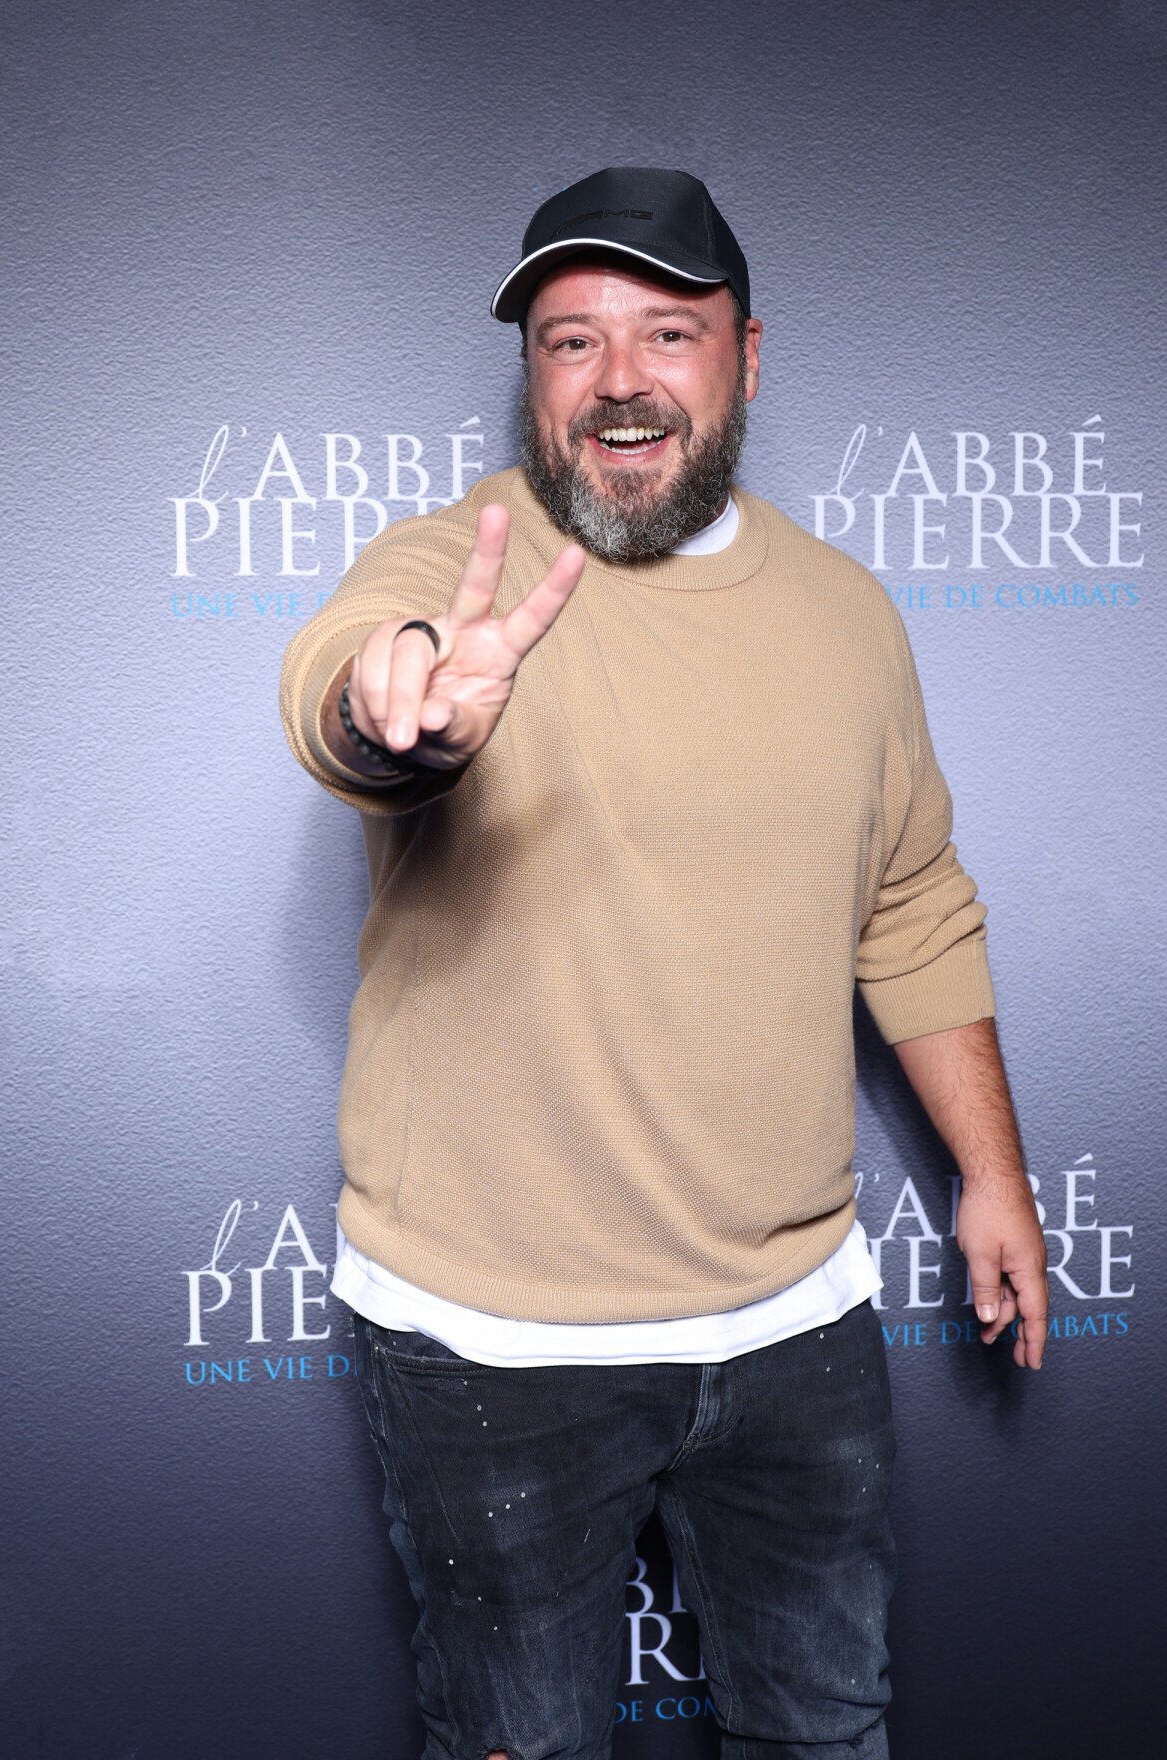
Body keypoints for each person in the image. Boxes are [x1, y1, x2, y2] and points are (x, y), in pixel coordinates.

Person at [279, 167, 1049, 1760]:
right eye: (571, 341)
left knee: (830, 1731)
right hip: (497, 1343)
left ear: (747, 359)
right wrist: (399, 703)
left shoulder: (849, 616)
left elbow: (908, 902)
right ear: (534, 380)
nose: (618, 378)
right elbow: (351, 687)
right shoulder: (456, 564)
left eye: (666, 332)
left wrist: (993, 1172)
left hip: (796, 1325)